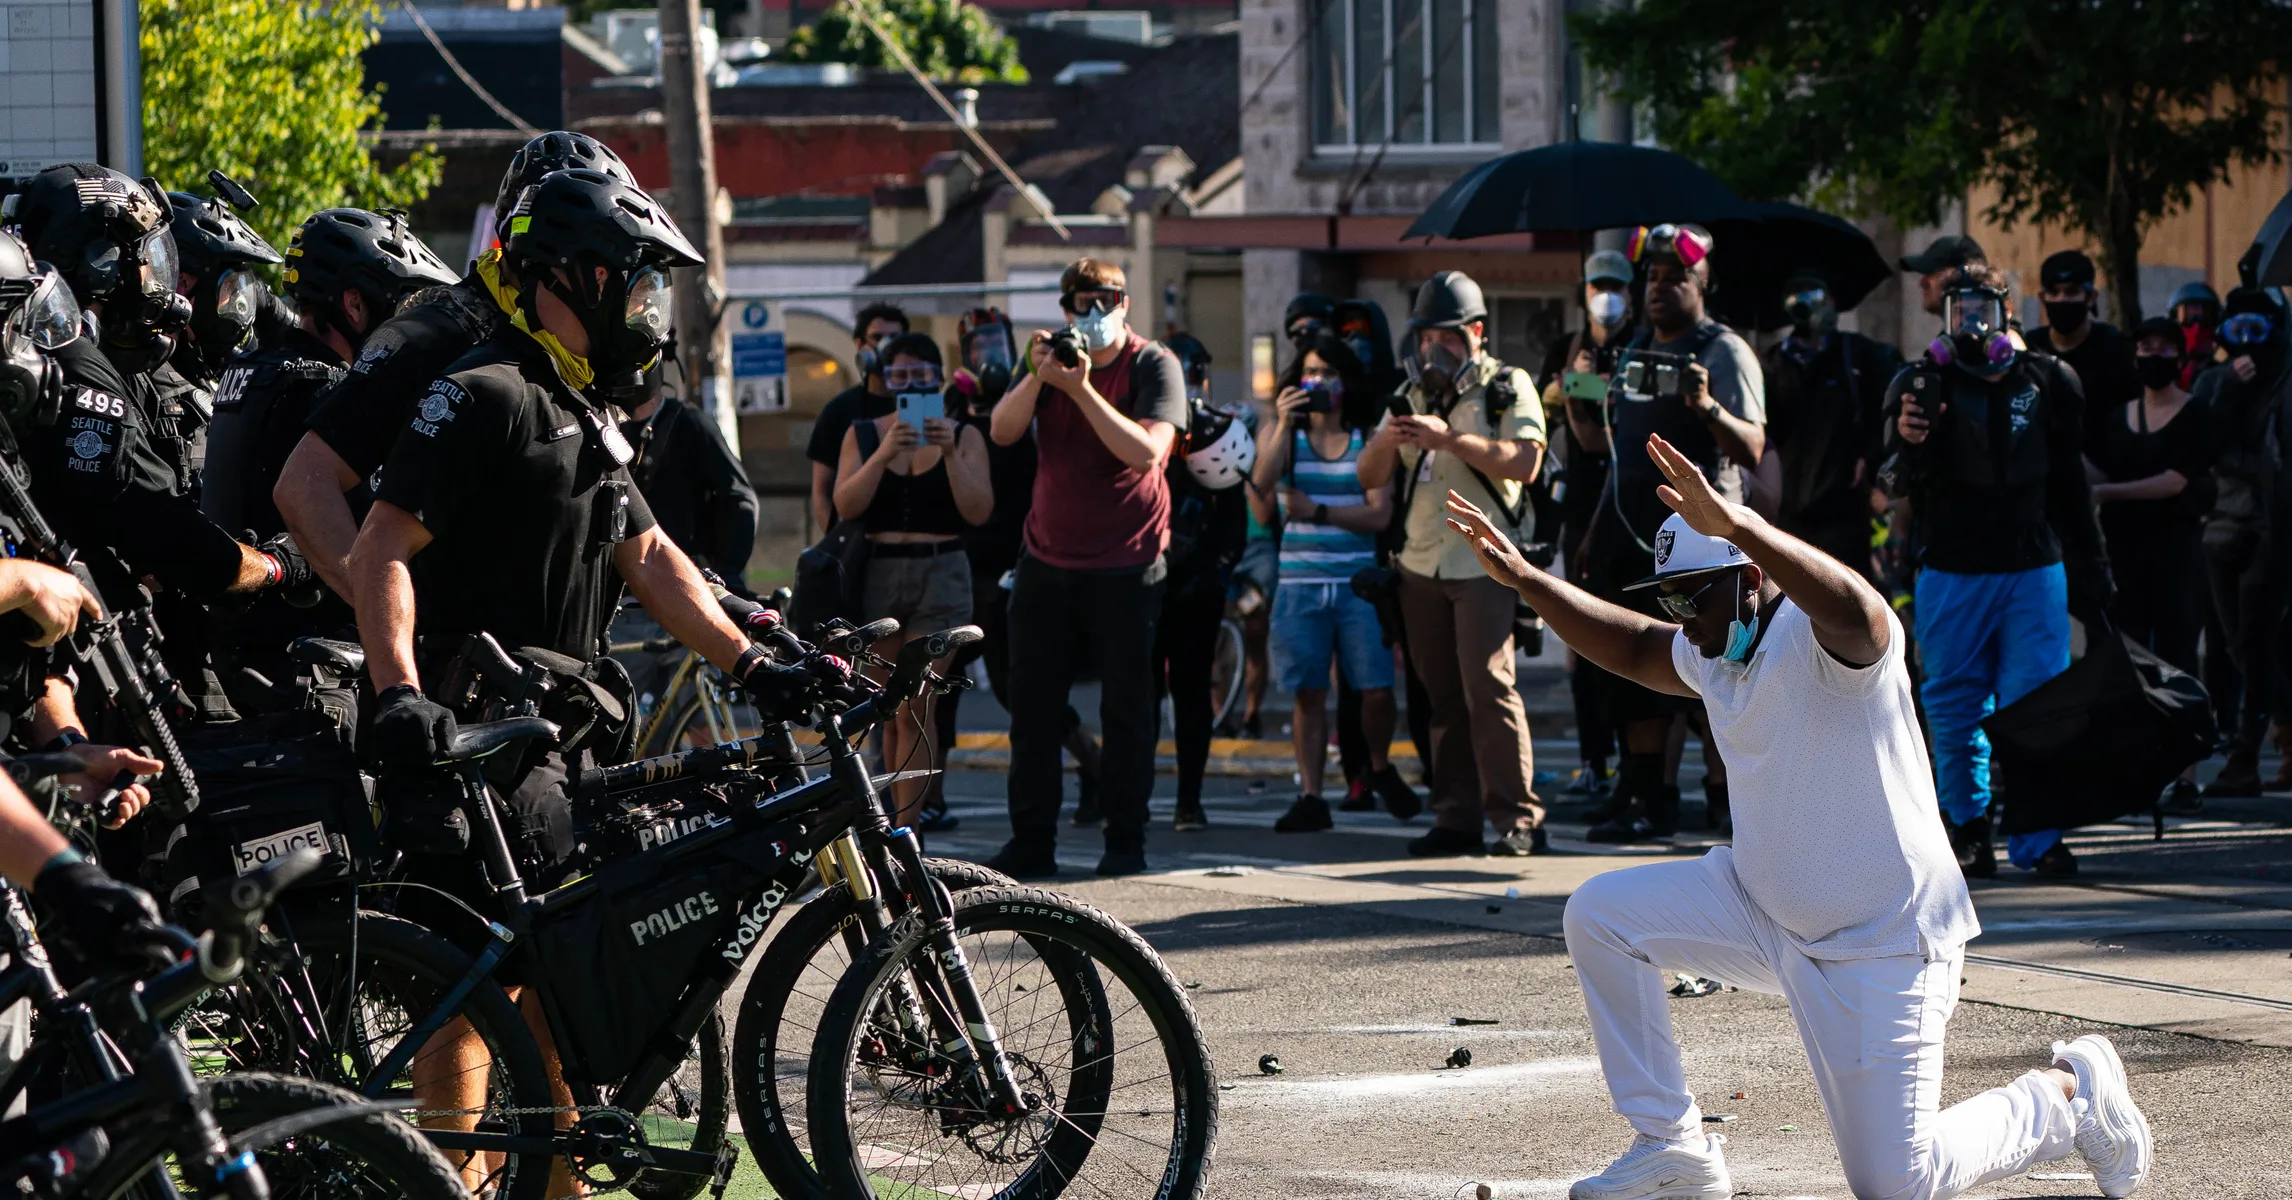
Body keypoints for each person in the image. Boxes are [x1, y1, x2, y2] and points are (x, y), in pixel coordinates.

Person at [1444, 436, 2152, 1200]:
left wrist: (1742, 524)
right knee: (1601, 917)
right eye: (1670, 600)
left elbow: (1858, 608)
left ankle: (2072, 1091)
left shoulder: (1830, 646)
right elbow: (1634, 645)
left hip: (1885, 937)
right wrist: (1526, 580)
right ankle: (1672, 1147)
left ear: (1749, 580)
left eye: (1693, 598)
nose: (1682, 622)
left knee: (1895, 1183)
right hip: (1763, 910)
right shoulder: (1714, 648)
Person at [348, 170, 834, 1191]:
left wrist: (754, 658)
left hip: (565, 736)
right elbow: (382, 549)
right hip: (468, 737)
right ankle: (453, 1179)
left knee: (567, 1003)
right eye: (641, 286)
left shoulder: (583, 406)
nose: (649, 312)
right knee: (473, 996)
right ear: (580, 276)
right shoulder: (478, 394)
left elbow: (652, 559)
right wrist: (398, 695)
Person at [277, 131, 638, 612]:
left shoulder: (572, 347)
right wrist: (388, 616)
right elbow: (305, 483)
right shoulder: (436, 335)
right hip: (450, 674)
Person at [4, 164, 315, 617]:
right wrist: (278, 564)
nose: (158, 281)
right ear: (103, 263)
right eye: (145, 259)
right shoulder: (76, 366)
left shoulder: (26, 351)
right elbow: (177, 543)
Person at [1880, 264, 2108, 879]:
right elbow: (1889, 483)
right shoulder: (1920, 381)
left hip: (2034, 567)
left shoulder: (2050, 379)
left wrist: (2095, 571)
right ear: (1944, 317)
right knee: (1955, 707)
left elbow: (2070, 486)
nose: (1975, 324)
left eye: (1985, 309)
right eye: (1961, 311)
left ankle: (2039, 835)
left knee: (2039, 704)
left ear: (2009, 314)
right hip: (1952, 569)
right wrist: (1909, 438)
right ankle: (1969, 831)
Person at [202, 208, 459, 710]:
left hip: (238, 654)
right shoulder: (323, 391)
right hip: (305, 675)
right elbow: (382, 532)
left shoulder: (251, 372)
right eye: (399, 312)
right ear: (355, 305)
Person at [985, 257, 1187, 878]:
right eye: (1079, 304)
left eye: (1104, 302)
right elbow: (1002, 430)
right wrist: (1040, 376)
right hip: (1048, 560)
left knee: (1128, 710)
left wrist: (1082, 390)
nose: (1091, 316)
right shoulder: (1052, 364)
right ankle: (1032, 841)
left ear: (1125, 303)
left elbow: (1149, 452)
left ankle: (1125, 839)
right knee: (1033, 711)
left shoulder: (1153, 364)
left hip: (1128, 564)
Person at [1577, 225, 1766, 842]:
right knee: (1641, 674)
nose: (1658, 289)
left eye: (1674, 278)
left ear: (1702, 283)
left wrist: (1708, 406)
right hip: (1635, 535)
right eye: (1651, 278)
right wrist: (1595, 531)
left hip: (1707, 541)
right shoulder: (1632, 349)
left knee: (1720, 669)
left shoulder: (1723, 350)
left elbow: (1754, 448)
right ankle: (1643, 794)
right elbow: (1615, 450)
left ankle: (1726, 800)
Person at [1356, 270, 1547, 857]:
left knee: (1489, 688)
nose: (1433, 350)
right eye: (1424, 338)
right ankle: (1456, 816)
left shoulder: (1505, 386)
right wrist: (1389, 440)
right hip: (1421, 565)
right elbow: (1368, 479)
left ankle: (1517, 819)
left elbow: (1526, 462)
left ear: (1476, 334)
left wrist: (1451, 440)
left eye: (1446, 337)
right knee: (1439, 697)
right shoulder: (1411, 397)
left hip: (1483, 563)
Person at [1253, 332, 1416, 831]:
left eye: (1330, 373)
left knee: (1375, 689)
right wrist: (1282, 420)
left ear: (1348, 381)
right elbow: (1261, 489)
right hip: (1299, 582)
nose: (1319, 382)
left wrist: (1317, 510)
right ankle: (1310, 794)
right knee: (1307, 693)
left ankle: (1380, 766)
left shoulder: (1368, 437)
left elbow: (1379, 514)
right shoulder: (1287, 436)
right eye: (1311, 372)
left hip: (1356, 583)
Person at [832, 331, 991, 828]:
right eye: (901, 376)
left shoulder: (963, 435)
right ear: (885, 381)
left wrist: (948, 455)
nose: (911, 385)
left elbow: (979, 511)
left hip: (941, 570)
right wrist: (882, 453)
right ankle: (887, 822)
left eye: (922, 376)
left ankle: (908, 828)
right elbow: (845, 505)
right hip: (879, 573)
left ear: (939, 382)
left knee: (915, 708)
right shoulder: (862, 432)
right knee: (883, 709)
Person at [2088, 317, 2213, 813]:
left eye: (2164, 347)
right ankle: (2139, 769)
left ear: (2179, 358)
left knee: (2180, 655)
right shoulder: (2119, 417)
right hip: (2124, 554)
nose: (2153, 355)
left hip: (2178, 552)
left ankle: (2186, 774)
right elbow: (2095, 465)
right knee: (2130, 660)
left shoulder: (2196, 413)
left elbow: (2175, 481)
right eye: (2145, 346)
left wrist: (2105, 493)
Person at [1540, 249, 1636, 802]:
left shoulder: (1638, 348)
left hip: (1628, 504)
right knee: (1583, 637)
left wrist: (1588, 396)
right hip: (1580, 508)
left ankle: (1631, 760)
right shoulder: (1567, 349)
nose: (1606, 295)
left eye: (1614, 285)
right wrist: (1564, 389)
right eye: (1597, 284)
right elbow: (1548, 418)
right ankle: (1594, 760)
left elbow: (1607, 433)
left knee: (1632, 634)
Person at [2193, 284, 2292, 797]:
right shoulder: (2215, 381)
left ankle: (2247, 753)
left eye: (2260, 330)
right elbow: (2200, 445)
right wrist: (2230, 388)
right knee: (2236, 643)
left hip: (2272, 531)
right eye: (2239, 331)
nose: (2249, 343)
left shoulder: (2285, 383)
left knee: (2256, 641)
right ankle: (2280, 729)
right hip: (2219, 528)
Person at [1157, 334, 1251, 832]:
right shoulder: (1143, 426)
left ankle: (1188, 798)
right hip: (1147, 580)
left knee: (1191, 688)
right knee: (1137, 689)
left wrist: (1215, 574)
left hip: (1196, 586)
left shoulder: (1217, 433)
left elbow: (1233, 520)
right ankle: (1121, 794)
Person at [1761, 270, 1902, 579]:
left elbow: (1891, 408)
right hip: (1789, 512)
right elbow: (1763, 431)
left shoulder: (1858, 356)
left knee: (1847, 599)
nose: (1815, 309)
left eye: (1820, 299)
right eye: (1802, 302)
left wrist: (1872, 457)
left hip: (1843, 509)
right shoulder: (1773, 364)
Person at [156, 184, 283, 495]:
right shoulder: (148, 380)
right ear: (182, 286)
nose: (239, 307)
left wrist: (268, 304)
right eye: (230, 289)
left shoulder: (218, 366)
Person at [808, 302, 909, 533]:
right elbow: (820, 491)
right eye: (877, 337)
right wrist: (837, 545)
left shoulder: (918, 404)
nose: (887, 345)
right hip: (860, 542)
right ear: (860, 345)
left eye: (895, 337)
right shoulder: (839, 411)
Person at [2027, 250, 2138, 455]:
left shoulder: (2116, 350)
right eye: (2054, 292)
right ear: (2043, 298)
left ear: (2090, 297)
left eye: (2071, 292)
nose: (2061, 300)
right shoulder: (2030, 349)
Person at [1898, 234, 1987, 318]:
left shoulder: (1992, 333)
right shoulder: (1951, 333)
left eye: (1932, 272)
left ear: (1960, 277)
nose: (1922, 283)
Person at [2167, 281, 2222, 391]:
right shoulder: (2163, 374)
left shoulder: (2222, 375)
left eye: (2205, 317)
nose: (2197, 327)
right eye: (2188, 317)